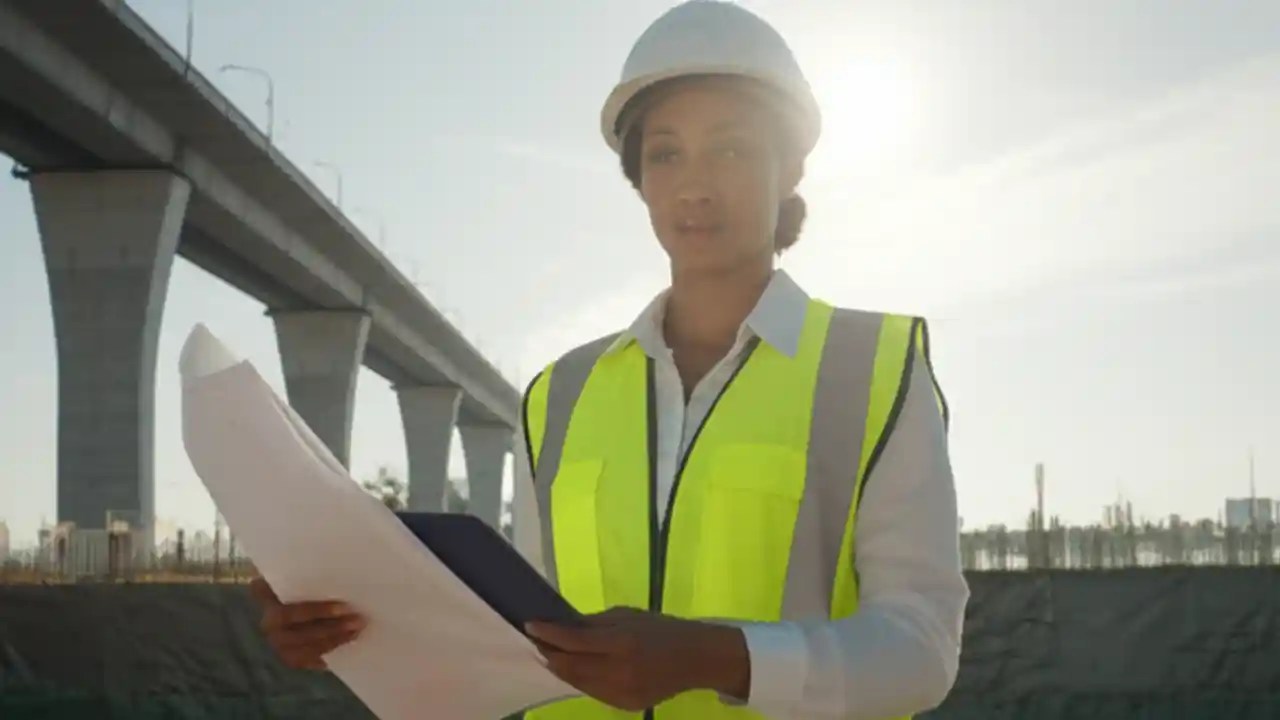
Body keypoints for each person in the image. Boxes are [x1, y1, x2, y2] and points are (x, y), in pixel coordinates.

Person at [251, 2, 969, 719]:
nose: (695, 184)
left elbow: (921, 648)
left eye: (732, 148)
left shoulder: (874, 371)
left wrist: (713, 658)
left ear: (789, 170)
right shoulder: (558, 395)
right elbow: (515, 641)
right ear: (639, 179)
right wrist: (350, 619)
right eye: (665, 152)